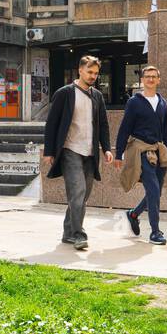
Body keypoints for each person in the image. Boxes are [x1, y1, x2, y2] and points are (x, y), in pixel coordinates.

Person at [41, 57, 112, 250]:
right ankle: (79, 234)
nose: (93, 76)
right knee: (78, 191)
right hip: (70, 150)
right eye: (90, 72)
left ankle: (68, 233)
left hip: (90, 152)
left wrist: (106, 148)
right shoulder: (65, 93)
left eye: (96, 73)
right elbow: (52, 124)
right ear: (80, 70)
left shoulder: (97, 96)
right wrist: (49, 151)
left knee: (81, 195)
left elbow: (103, 124)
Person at [117, 65, 167, 245]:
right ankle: (155, 232)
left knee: (156, 192)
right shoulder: (134, 102)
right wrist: (119, 154)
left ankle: (133, 214)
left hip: (159, 151)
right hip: (141, 150)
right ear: (142, 80)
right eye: (147, 76)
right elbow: (124, 129)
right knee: (154, 190)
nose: (150, 79)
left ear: (158, 80)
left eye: (153, 76)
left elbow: (165, 131)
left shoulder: (163, 102)